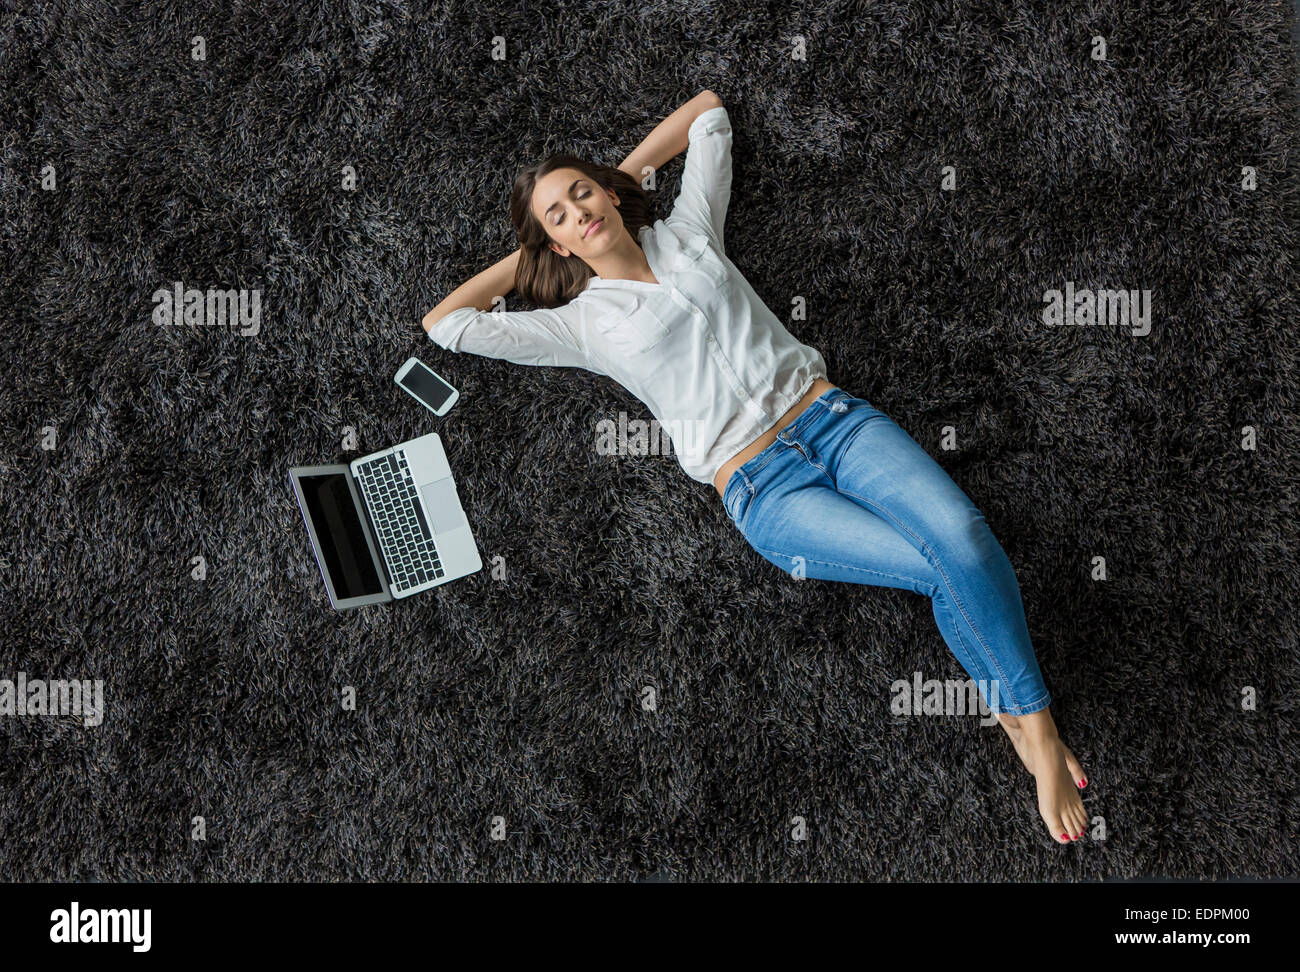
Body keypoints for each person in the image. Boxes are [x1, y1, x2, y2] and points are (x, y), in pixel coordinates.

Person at [422, 90, 1089, 844]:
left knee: (963, 538)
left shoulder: (689, 232)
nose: (579, 212)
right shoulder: (581, 326)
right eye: (560, 216)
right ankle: (1036, 729)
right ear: (559, 246)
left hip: (834, 422)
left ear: (608, 191)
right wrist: (540, 251)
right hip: (763, 489)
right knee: (936, 565)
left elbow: (708, 112)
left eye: (583, 193)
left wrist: (621, 181)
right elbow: (447, 324)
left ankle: (1025, 727)